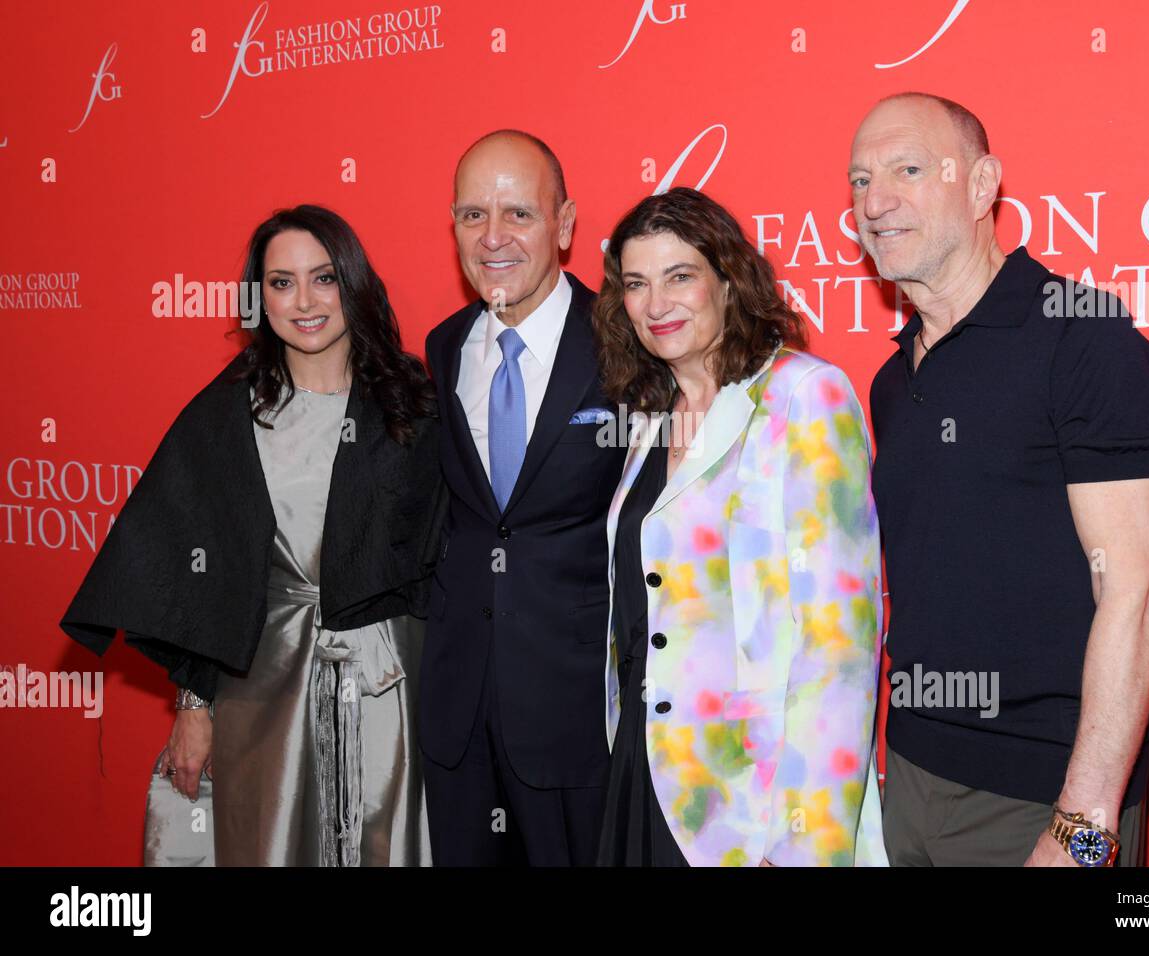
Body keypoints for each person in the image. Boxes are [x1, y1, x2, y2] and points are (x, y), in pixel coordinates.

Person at [61, 204, 446, 866]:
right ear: (257, 296)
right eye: (280, 282)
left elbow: (454, 557)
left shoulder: (413, 404)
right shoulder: (229, 414)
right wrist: (194, 704)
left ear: (352, 283)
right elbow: (193, 577)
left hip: (393, 686)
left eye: (323, 278)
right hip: (262, 687)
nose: (303, 301)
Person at [850, 92, 1149, 866]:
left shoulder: (1081, 339)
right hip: (913, 774)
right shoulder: (892, 381)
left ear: (981, 183)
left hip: (1043, 796)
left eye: (907, 169)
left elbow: (1138, 593)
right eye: (859, 181)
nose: (876, 201)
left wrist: (1085, 824)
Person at [590, 186, 888, 867]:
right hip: (650, 770)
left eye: (680, 277)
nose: (656, 304)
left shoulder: (803, 395)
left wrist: (803, 842)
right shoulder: (650, 415)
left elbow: (839, 644)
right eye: (636, 283)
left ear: (729, 283)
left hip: (757, 798)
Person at [420, 130, 624, 865]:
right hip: (456, 717)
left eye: (519, 214)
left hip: (574, 717)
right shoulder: (441, 349)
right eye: (473, 215)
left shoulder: (626, 344)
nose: (494, 238)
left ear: (565, 225)